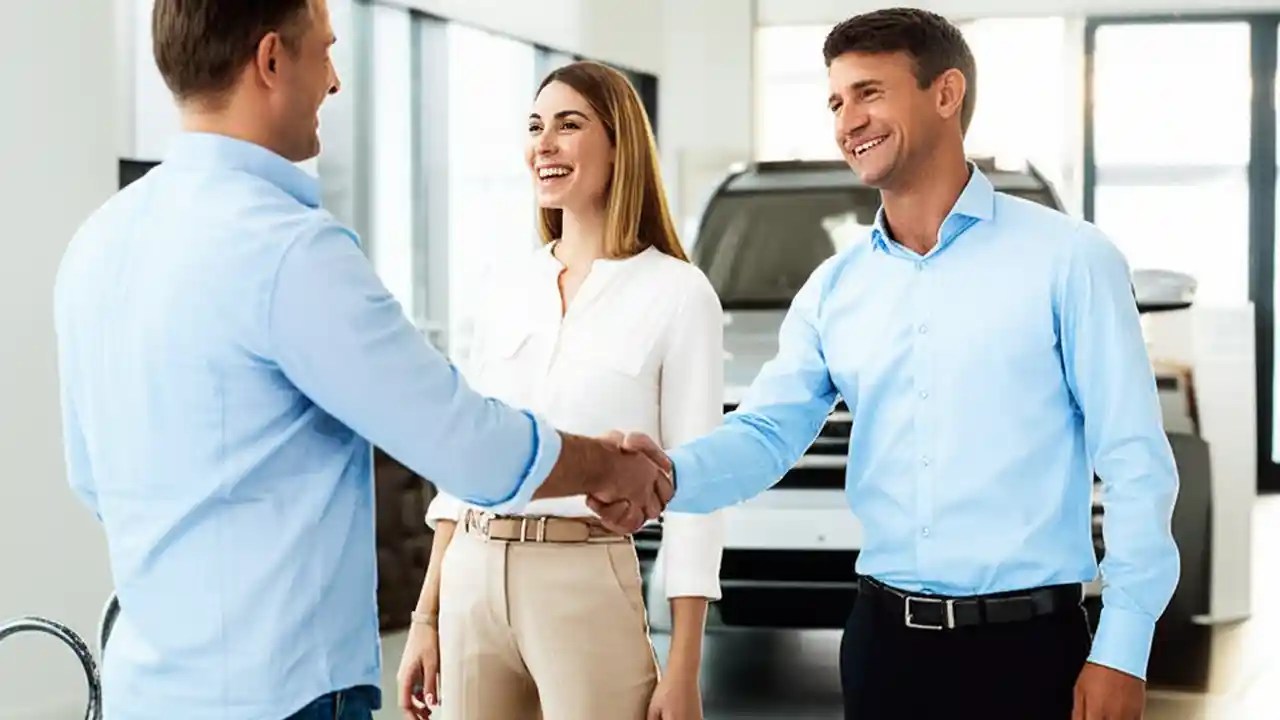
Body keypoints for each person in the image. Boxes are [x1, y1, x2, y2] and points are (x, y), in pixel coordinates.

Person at [52, 2, 672, 719]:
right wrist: (607, 466)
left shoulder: (96, 243)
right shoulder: (289, 249)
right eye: (324, 52)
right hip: (283, 695)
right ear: (271, 61)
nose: (335, 81)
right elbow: (467, 446)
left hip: (147, 692)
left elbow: (90, 479)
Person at [618, 9, 1179, 720]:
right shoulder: (835, 288)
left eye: (869, 93)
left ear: (946, 93)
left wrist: (1124, 647)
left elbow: (1135, 461)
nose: (847, 120)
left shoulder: (1071, 260)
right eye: (835, 101)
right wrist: (667, 476)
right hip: (883, 648)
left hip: (1031, 650)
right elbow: (766, 433)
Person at [393, 61, 726, 720]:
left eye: (569, 125)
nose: (543, 144)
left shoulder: (680, 293)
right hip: (471, 576)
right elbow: (466, 462)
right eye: (534, 126)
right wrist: (426, 616)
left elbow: (698, 493)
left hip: (585, 578)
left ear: (619, 145)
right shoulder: (504, 287)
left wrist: (685, 665)